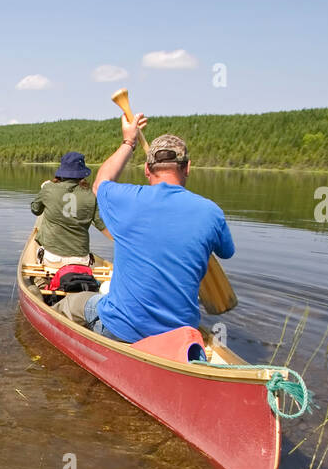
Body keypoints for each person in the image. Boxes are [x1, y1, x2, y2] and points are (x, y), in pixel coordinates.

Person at [53, 115, 234, 343]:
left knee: (68, 304)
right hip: (179, 336)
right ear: (187, 168)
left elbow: (101, 182)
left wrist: (129, 142)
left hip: (120, 329)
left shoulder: (126, 199)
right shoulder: (211, 212)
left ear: (147, 170)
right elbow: (227, 252)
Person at [31, 151, 109, 279]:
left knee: (39, 248)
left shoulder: (48, 188)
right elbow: (101, 225)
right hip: (81, 262)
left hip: (52, 259)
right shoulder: (92, 195)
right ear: (82, 174)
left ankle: (42, 282)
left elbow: (35, 210)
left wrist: (44, 190)